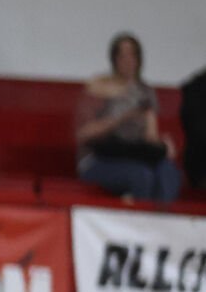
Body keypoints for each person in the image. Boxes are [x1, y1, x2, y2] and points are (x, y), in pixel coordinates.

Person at [75, 33, 182, 204]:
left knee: (169, 173)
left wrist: (164, 146)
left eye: (132, 54)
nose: (128, 60)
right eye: (122, 54)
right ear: (114, 59)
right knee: (141, 176)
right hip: (99, 159)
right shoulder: (99, 87)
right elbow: (83, 134)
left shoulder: (146, 92)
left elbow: (150, 136)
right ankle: (139, 225)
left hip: (135, 156)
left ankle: (160, 224)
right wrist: (121, 118)